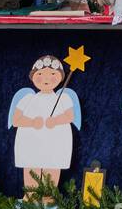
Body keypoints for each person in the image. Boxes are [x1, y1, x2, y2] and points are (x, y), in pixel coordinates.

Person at [8, 55, 79, 199]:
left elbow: (70, 116)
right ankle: (30, 196)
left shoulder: (64, 98)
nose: (46, 78)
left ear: (60, 77)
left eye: (52, 74)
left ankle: (48, 198)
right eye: (40, 74)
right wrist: (31, 122)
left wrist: (57, 120)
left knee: (51, 166)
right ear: (33, 76)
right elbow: (16, 120)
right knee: (31, 167)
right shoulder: (27, 98)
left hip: (54, 141)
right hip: (32, 142)